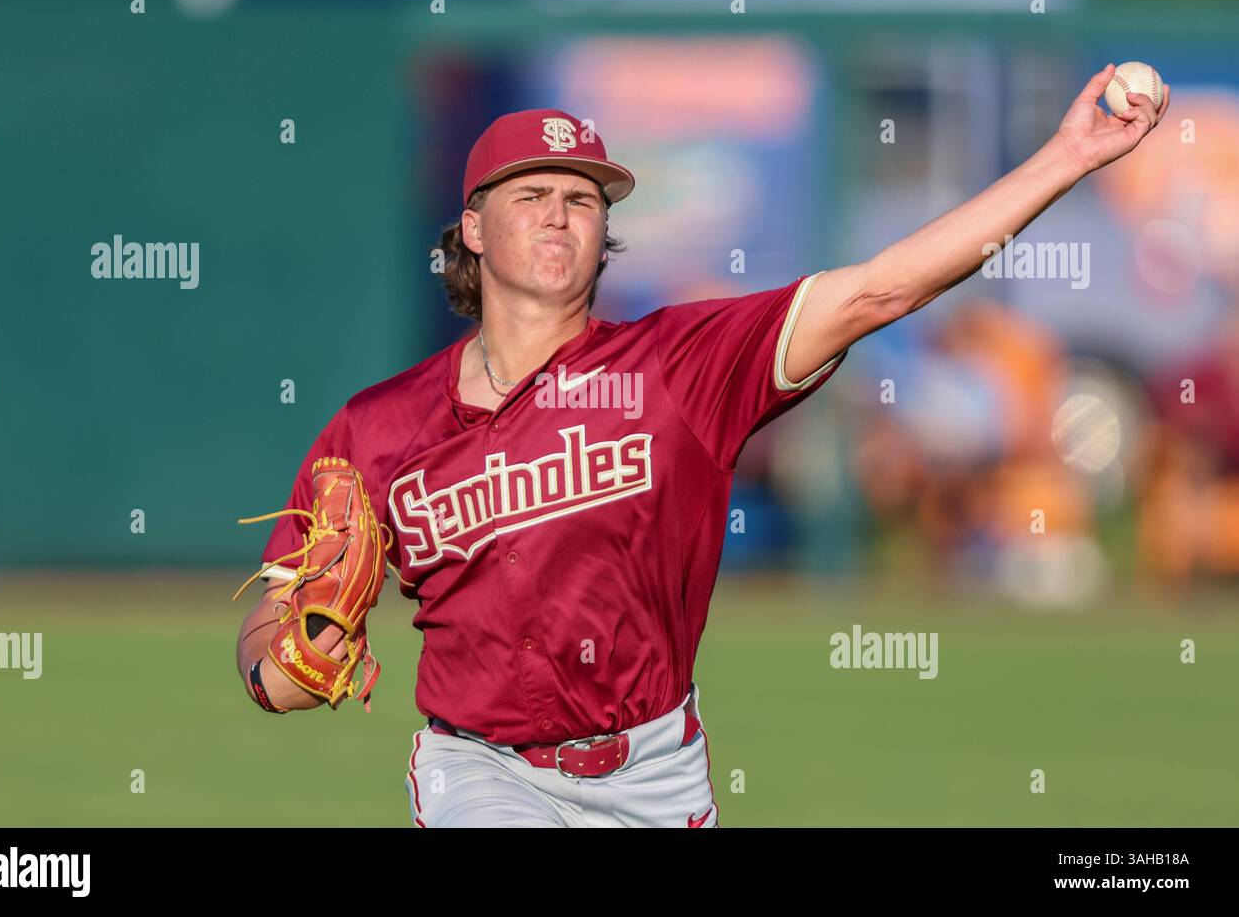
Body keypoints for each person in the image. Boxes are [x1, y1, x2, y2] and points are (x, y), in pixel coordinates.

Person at [235, 69, 1168, 827]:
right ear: (473, 228)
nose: (561, 214)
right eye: (533, 196)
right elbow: (271, 650)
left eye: (584, 199)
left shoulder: (680, 368)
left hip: (653, 773)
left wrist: (1071, 153)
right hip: (481, 772)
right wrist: (290, 655)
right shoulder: (378, 427)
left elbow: (880, 292)